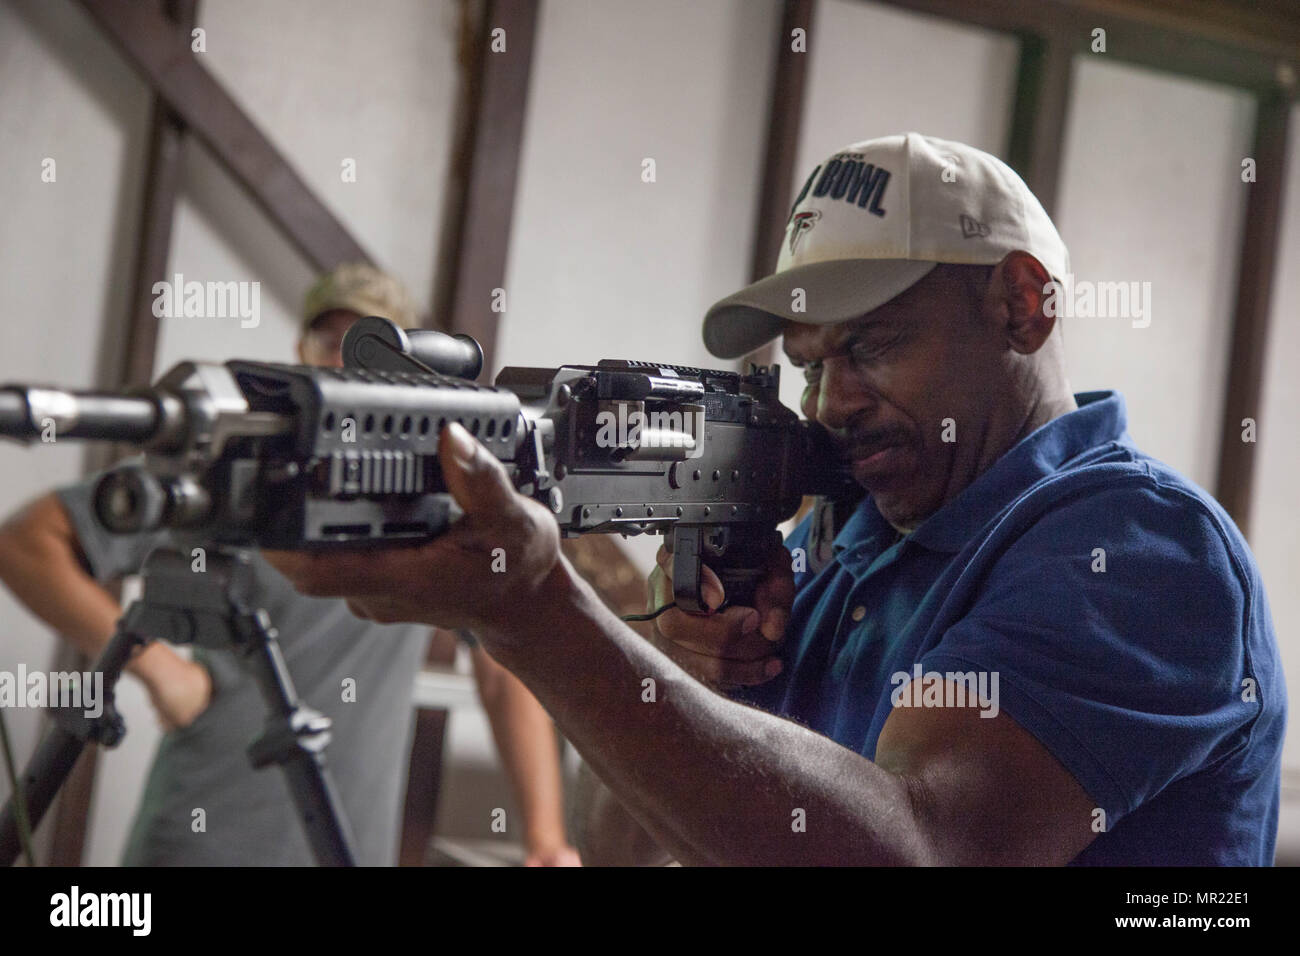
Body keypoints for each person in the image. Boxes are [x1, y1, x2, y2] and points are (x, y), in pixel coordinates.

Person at [262, 135, 1286, 865]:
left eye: (874, 345)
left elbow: (927, 846)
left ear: (1019, 304)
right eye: (809, 363)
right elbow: (628, 849)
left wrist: (541, 617)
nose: (832, 403)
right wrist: (673, 662)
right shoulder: (843, 540)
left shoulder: (1139, 550)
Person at [0, 263, 579, 866]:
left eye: (367, 345)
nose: (341, 362)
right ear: (300, 348)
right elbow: (27, 541)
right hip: (204, 841)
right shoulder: (240, 460)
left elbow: (501, 662)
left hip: (348, 845)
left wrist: (544, 837)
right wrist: (161, 670)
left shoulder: (435, 493)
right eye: (330, 341)